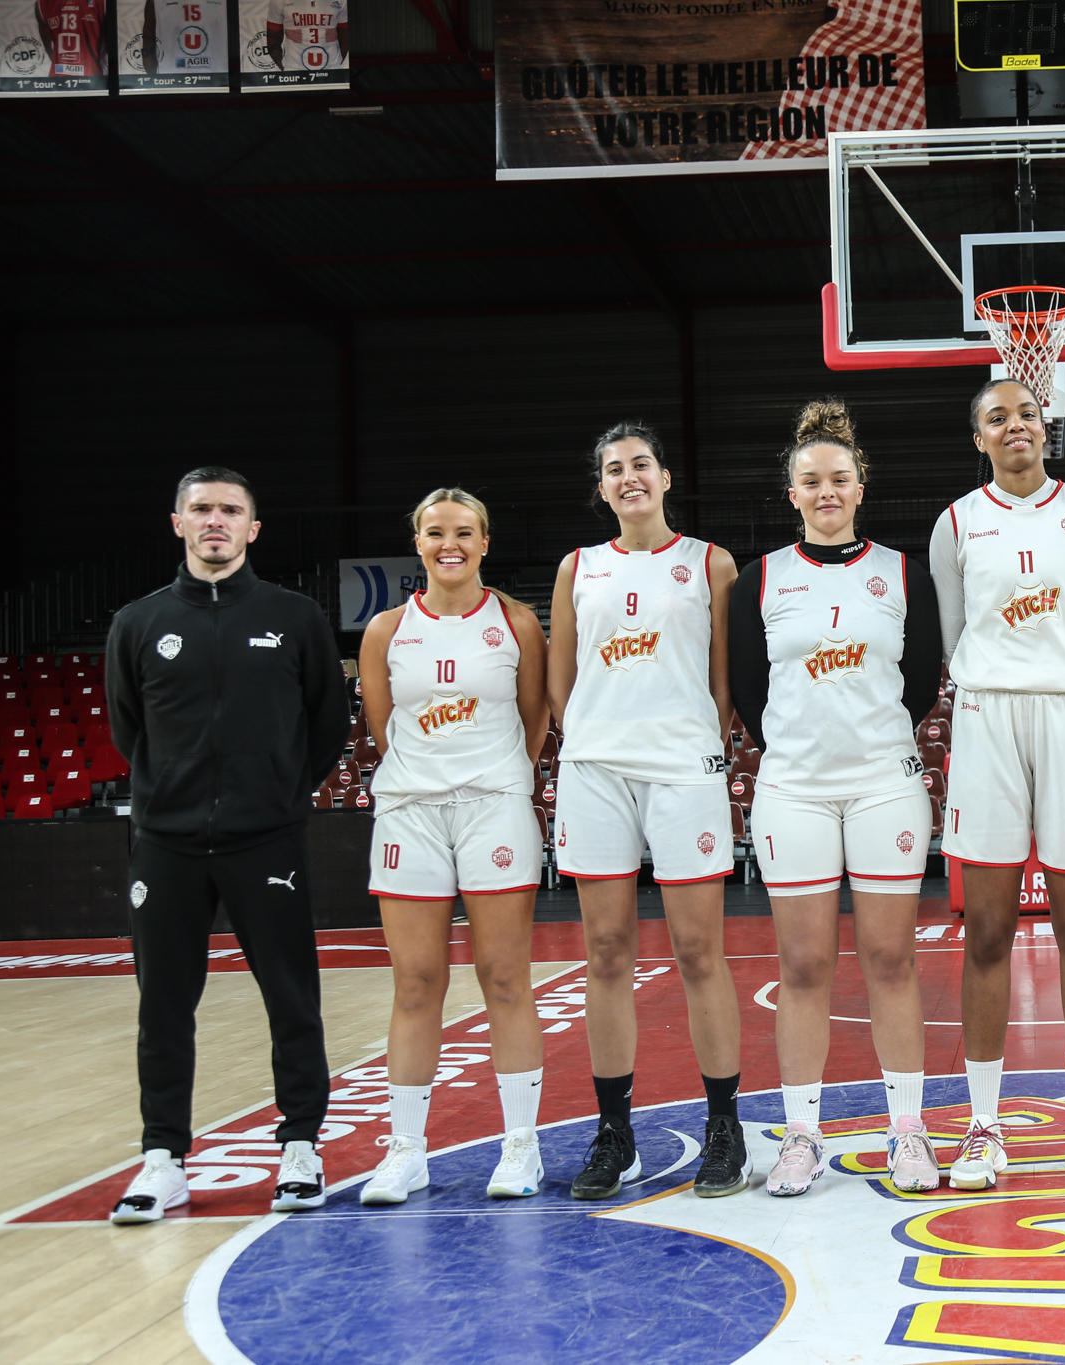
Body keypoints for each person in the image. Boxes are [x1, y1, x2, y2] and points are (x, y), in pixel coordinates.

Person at [106, 467, 346, 1224]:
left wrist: (277, 796)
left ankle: (301, 1147)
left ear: (253, 528)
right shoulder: (137, 623)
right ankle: (163, 1158)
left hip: (265, 840)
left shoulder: (295, 616)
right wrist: (173, 797)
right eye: (202, 509)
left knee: (291, 997)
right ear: (178, 523)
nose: (216, 520)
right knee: (163, 1004)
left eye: (230, 510)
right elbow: (127, 729)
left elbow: (327, 724)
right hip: (166, 844)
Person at [931, 378, 1065, 1191]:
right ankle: (983, 1126)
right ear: (977, 437)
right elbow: (954, 638)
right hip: (988, 717)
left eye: (1025, 413)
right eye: (997, 417)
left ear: (1044, 425)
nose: (1014, 425)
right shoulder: (957, 522)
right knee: (986, 930)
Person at [729, 400, 943, 1196]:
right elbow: (749, 690)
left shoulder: (902, 573)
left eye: (839, 479)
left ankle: (908, 1130)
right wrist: (806, 746)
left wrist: (865, 739)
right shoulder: (759, 581)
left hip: (884, 784)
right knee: (804, 963)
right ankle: (803, 1134)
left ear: (860, 486)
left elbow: (919, 682)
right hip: (795, 789)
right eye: (811, 481)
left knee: (891, 958)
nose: (826, 491)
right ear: (792, 493)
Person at [549, 422, 748, 1200]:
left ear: (665, 477)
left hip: (682, 768)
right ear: (601, 487)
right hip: (597, 769)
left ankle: (724, 1127)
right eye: (613, 468)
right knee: (605, 951)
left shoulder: (710, 561)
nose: (628, 476)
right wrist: (590, 739)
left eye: (641, 464)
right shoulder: (578, 567)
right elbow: (561, 679)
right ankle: (615, 1133)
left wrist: (699, 742)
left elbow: (725, 677)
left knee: (699, 950)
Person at [356, 490, 550, 1205]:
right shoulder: (385, 630)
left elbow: (534, 720)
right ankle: (407, 1149)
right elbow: (385, 730)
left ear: (485, 541)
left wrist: (492, 780)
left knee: (505, 977)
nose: (450, 544)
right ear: (417, 542)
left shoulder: (517, 623)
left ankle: (521, 1144)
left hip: (493, 808)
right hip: (411, 813)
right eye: (436, 532)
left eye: (464, 532)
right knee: (415, 982)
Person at [266, 0, 346, 72]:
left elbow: (345, 38)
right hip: (294, 69)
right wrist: (285, 69)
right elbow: (273, 40)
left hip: (332, 68)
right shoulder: (279, 1)